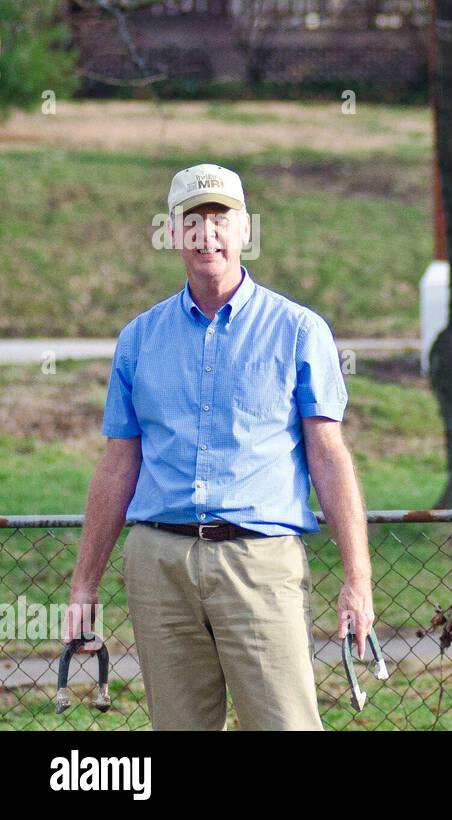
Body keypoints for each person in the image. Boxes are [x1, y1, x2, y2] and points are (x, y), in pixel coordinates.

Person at [62, 163, 374, 730]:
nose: (208, 234)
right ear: (173, 233)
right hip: (161, 565)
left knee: (285, 724)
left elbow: (329, 456)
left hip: (259, 563)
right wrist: (84, 585)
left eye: (220, 218)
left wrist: (357, 580)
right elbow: (117, 463)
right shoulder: (139, 339)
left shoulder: (300, 331)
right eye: (193, 220)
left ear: (245, 229)